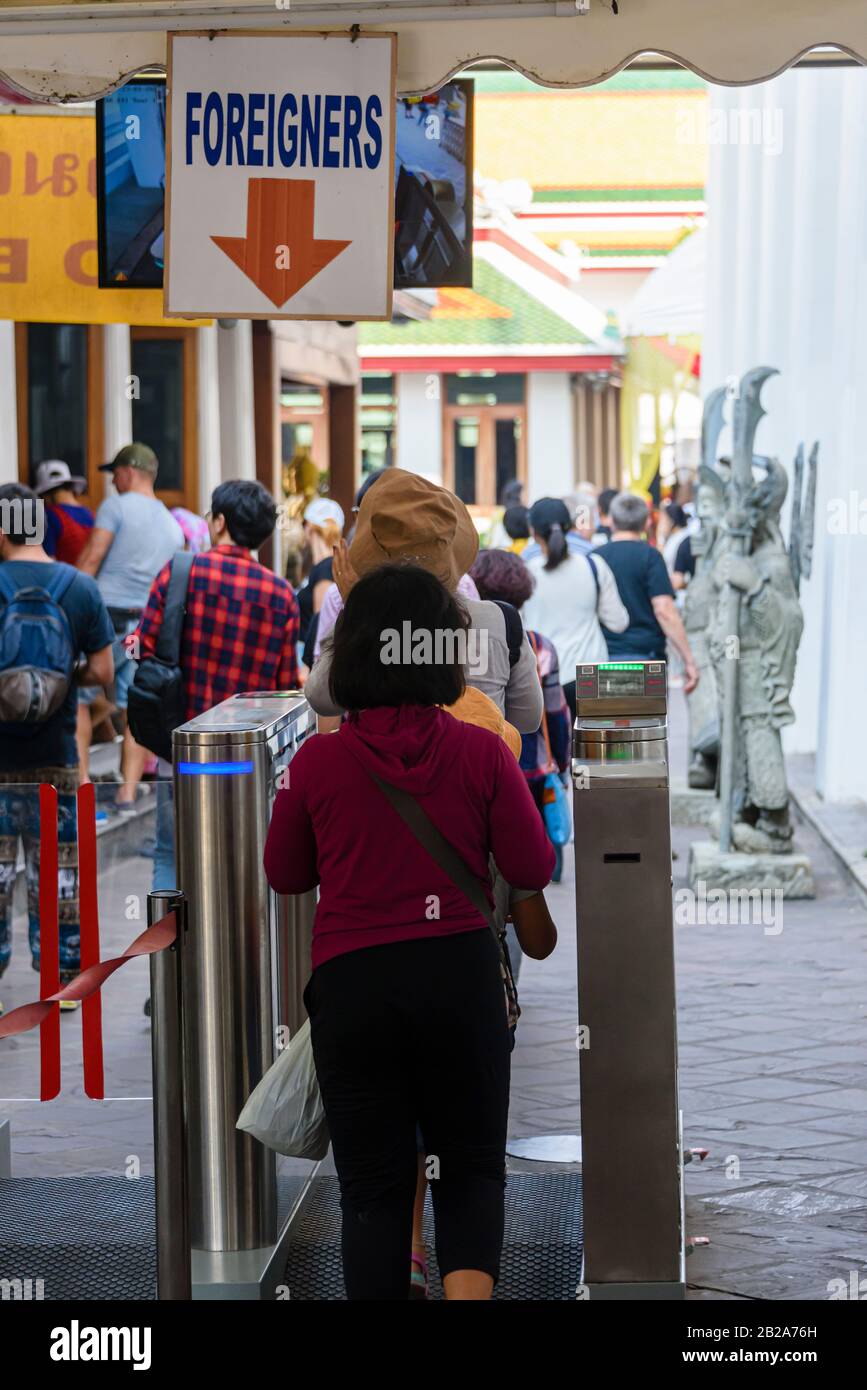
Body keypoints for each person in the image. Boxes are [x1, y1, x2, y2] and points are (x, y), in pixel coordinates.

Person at [264, 564, 555, 1301]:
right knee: (469, 1165)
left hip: (354, 986)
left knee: (372, 1185)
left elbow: (285, 874)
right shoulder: (484, 752)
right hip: (458, 978)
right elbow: (530, 861)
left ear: (355, 652)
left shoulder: (317, 761)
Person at [137, 480, 300, 892]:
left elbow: (144, 649)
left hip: (181, 750)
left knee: (170, 856)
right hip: (245, 760)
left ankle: (172, 952)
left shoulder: (179, 574)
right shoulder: (281, 595)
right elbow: (283, 692)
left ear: (220, 522)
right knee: (244, 862)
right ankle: (236, 952)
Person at [304, 469, 543, 735]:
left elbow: (322, 699)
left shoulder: (368, 627)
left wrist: (356, 611)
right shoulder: (500, 622)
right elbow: (527, 719)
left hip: (383, 773)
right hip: (478, 772)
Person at [0, 483, 114, 1008]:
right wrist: (64, 674)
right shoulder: (80, 589)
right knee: (58, 869)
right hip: (57, 757)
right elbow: (106, 672)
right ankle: (64, 981)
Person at [76, 443, 183, 799]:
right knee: (133, 704)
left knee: (80, 695)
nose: (112, 483)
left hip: (106, 620)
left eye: (115, 475)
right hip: (145, 628)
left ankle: (81, 786)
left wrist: (65, 600)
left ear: (129, 472)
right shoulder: (171, 523)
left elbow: (92, 558)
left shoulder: (116, 507)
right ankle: (128, 792)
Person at [470, 547, 573, 881]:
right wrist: (561, 762)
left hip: (489, 764)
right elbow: (555, 713)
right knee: (532, 870)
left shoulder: (466, 641)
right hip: (532, 768)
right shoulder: (540, 645)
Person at [520, 498, 629, 721]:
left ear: (533, 531)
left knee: (553, 753)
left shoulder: (525, 574)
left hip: (542, 679)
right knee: (594, 751)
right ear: (570, 525)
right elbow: (618, 623)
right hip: (591, 678)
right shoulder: (593, 566)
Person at [596, 492, 698, 691]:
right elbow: (664, 609)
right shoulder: (650, 557)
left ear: (612, 521)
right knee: (648, 721)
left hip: (603, 657)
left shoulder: (595, 558)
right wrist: (689, 659)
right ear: (646, 523)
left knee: (605, 721)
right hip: (646, 657)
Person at [297, 497, 344, 669]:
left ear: (309, 527)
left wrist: (307, 669)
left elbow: (321, 624)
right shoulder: (330, 565)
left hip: (309, 661)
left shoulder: (325, 568)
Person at [34, 460, 94, 565]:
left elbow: (48, 562)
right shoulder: (91, 514)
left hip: (65, 579)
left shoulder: (50, 515)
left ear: (47, 494)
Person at [658, 501, 690, 577]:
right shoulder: (676, 537)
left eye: (662, 520)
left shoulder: (680, 539)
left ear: (671, 522)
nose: (660, 524)